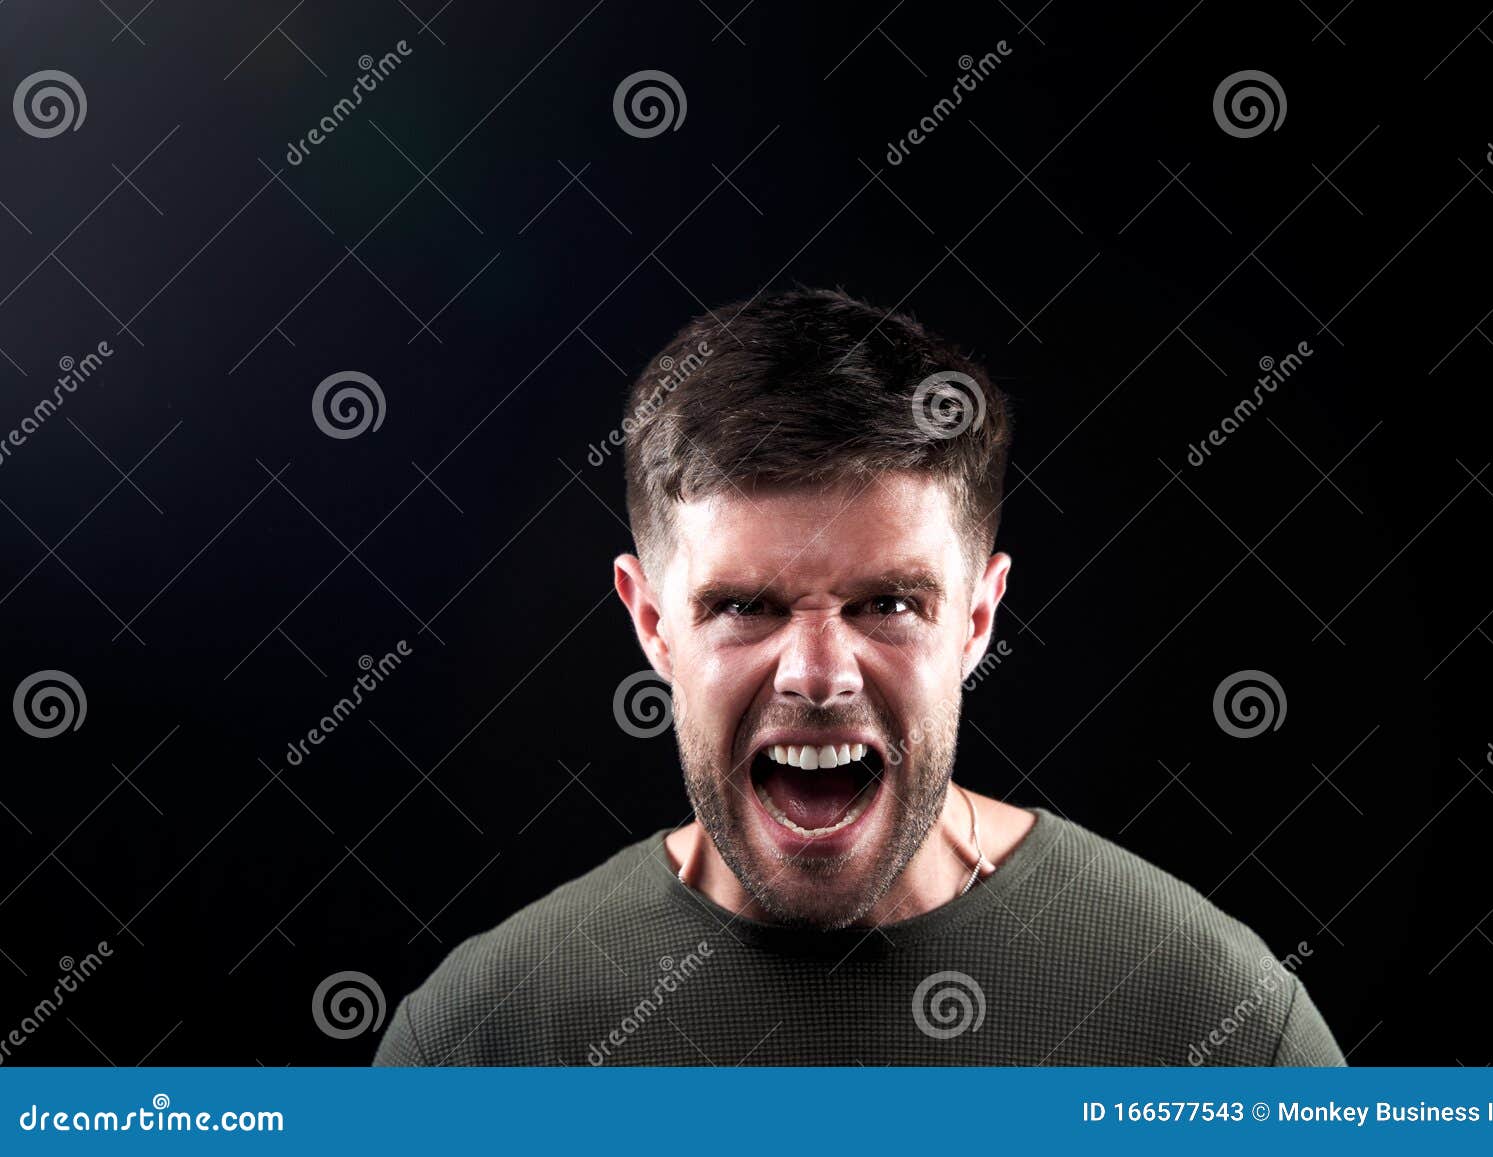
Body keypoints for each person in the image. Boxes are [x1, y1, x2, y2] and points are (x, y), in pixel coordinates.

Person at [373, 288, 1344, 1066]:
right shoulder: (478, 1045)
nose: (819, 672)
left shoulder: (1212, 1023)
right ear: (652, 620)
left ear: (976, 615)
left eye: (887, 603)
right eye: (744, 605)